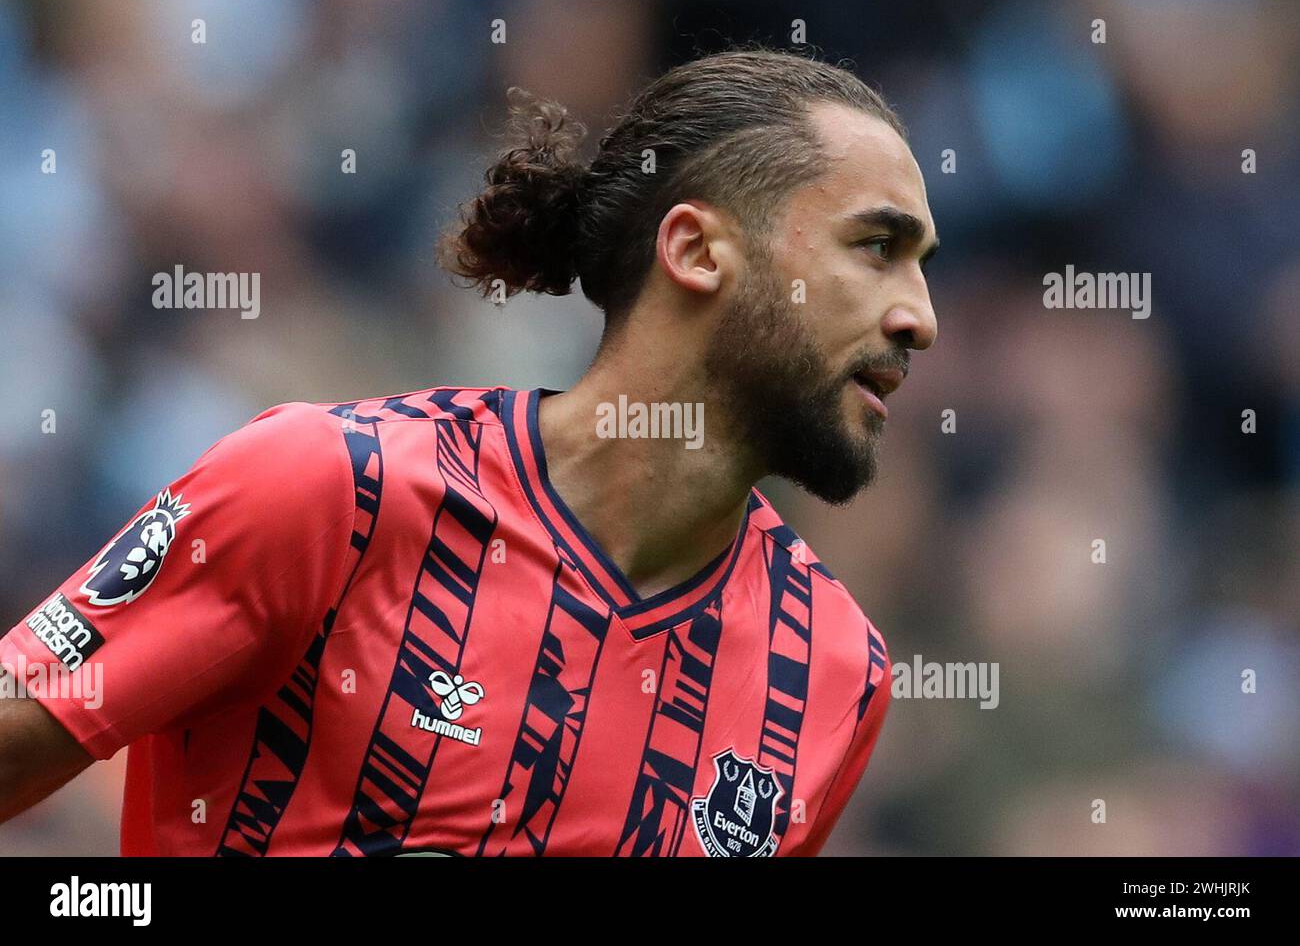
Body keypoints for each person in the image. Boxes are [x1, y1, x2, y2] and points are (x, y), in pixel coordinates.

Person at [0, 47, 937, 856]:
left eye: (926, 263)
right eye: (877, 246)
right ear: (695, 250)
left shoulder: (832, 673)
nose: (920, 318)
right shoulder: (328, 489)